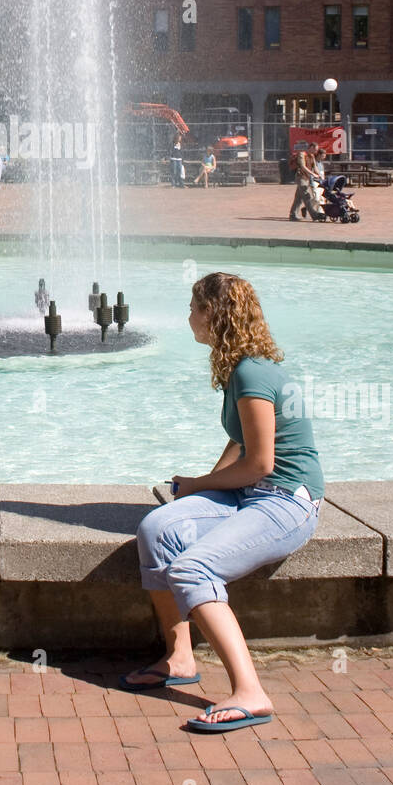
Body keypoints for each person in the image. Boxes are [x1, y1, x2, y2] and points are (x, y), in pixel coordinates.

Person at [121, 272, 325, 731]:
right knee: (157, 528)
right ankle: (178, 658)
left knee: (192, 568)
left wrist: (196, 487)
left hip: (286, 503)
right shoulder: (242, 366)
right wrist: (208, 482)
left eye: (194, 308)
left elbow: (261, 463)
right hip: (253, 494)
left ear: (215, 314)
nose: (189, 316)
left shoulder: (252, 371)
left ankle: (250, 692)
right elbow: (243, 442)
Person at [288, 141, 315, 220]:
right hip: (301, 177)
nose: (316, 152)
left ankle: (293, 215)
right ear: (311, 148)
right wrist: (312, 174)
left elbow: (315, 166)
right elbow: (303, 166)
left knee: (298, 198)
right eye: (315, 150)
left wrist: (318, 174)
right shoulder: (302, 154)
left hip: (307, 178)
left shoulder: (312, 156)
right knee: (307, 197)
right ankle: (314, 215)